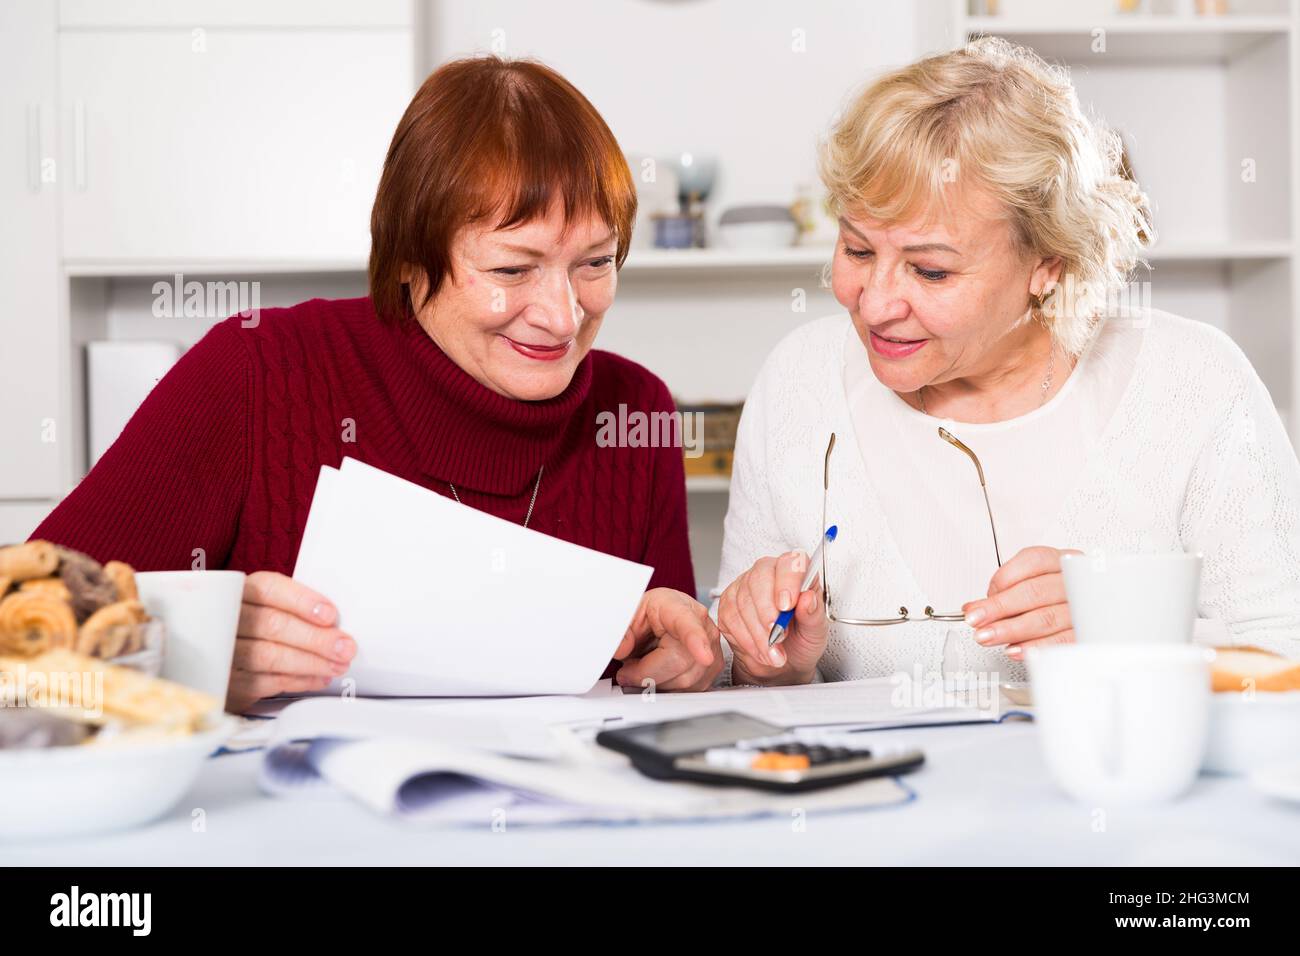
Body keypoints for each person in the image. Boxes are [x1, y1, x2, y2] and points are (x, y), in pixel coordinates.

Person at [34, 57, 724, 710]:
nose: (563, 316)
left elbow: (650, 703)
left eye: (595, 263)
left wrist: (685, 657)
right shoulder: (253, 370)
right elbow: (23, 643)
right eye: (512, 270)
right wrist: (191, 656)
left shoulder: (637, 411)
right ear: (406, 262)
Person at [715, 37, 1300, 687]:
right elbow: (743, 685)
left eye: (930, 270)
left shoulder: (1194, 382)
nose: (875, 304)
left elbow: (1286, 657)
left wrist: (1135, 630)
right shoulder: (799, 379)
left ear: (1048, 263)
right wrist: (769, 667)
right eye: (856, 251)